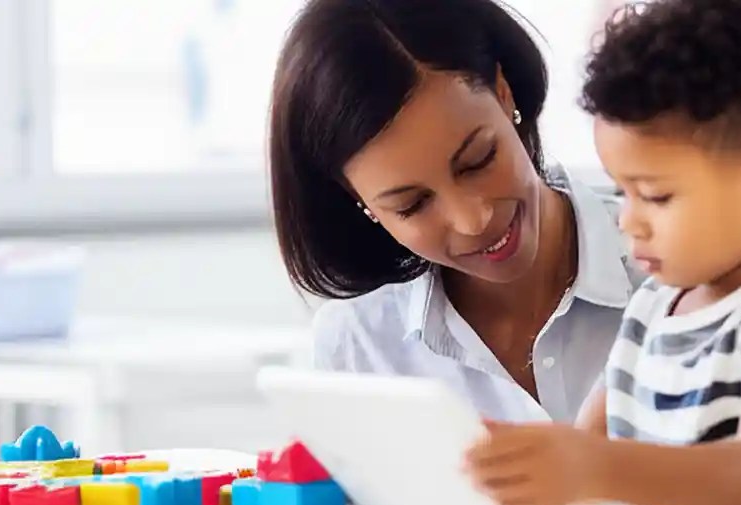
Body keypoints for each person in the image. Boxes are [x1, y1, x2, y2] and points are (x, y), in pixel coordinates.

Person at [467, 0, 741, 505]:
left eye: (656, 196)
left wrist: (594, 468)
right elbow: (588, 447)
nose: (628, 222)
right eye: (622, 191)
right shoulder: (653, 309)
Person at [269, 0, 645, 424]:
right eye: (412, 205)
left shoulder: (679, 273)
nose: (475, 220)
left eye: (479, 160)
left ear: (504, 96)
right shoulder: (356, 347)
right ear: (362, 204)